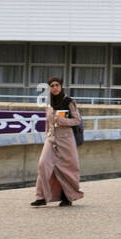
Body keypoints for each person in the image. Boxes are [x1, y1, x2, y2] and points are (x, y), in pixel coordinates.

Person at [32, 76, 84, 207]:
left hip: (66, 139)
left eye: (57, 85)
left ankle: (68, 197)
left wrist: (60, 120)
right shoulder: (49, 104)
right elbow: (47, 122)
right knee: (43, 165)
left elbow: (77, 120)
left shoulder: (69, 101)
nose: (54, 88)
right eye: (52, 86)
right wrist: (47, 135)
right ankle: (41, 197)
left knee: (67, 169)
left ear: (61, 86)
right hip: (51, 139)